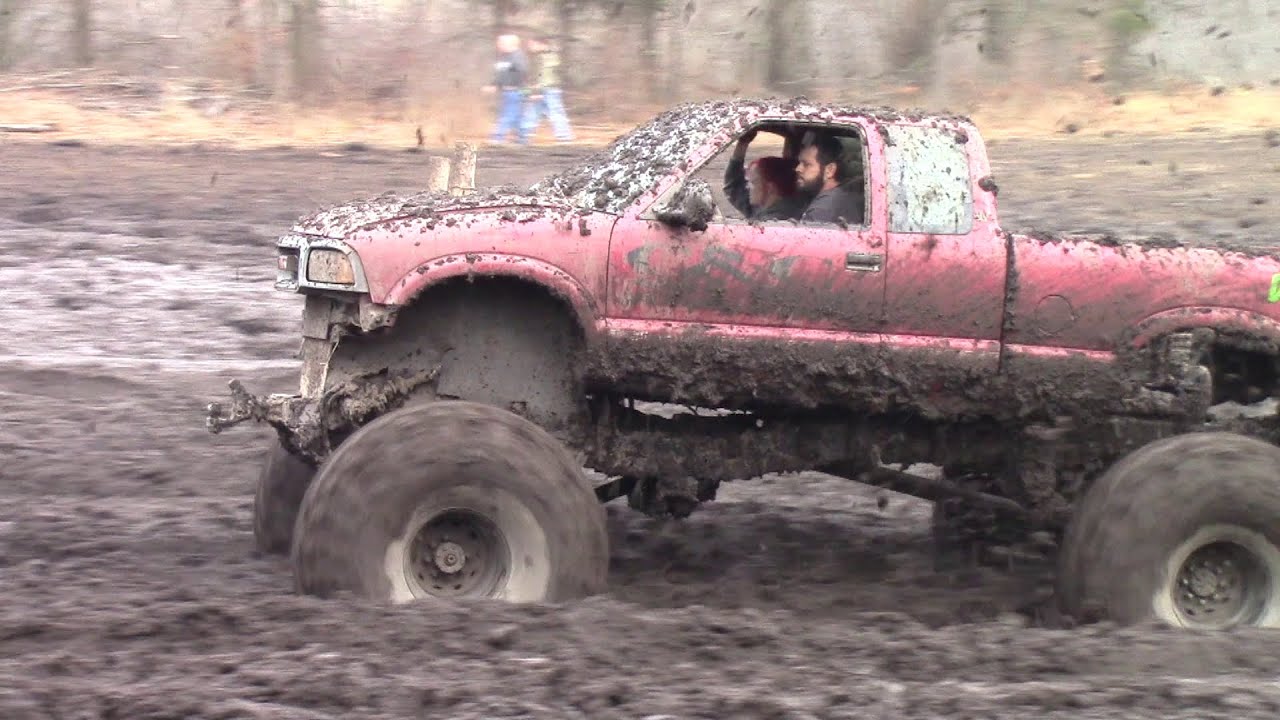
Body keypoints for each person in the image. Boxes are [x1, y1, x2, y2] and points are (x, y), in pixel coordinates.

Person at [723, 130, 805, 222]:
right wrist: (742, 144)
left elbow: (734, 189)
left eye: (753, 183)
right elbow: (734, 187)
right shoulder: (763, 206)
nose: (747, 186)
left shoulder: (775, 222)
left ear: (770, 188)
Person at [795, 133, 865, 225]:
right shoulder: (844, 193)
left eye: (806, 164)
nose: (798, 169)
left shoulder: (821, 211)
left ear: (829, 170)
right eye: (799, 163)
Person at [521, 34, 575, 143]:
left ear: (540, 44)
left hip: (546, 90)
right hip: (549, 90)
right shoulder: (554, 56)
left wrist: (535, 92)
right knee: (534, 113)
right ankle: (524, 136)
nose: (530, 46)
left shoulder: (541, 58)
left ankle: (564, 137)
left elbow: (540, 77)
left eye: (532, 44)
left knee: (551, 113)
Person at [485, 33, 530, 145]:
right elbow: (501, 74)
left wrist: (514, 86)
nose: (498, 45)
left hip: (516, 91)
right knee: (516, 116)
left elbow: (522, 73)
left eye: (501, 43)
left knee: (507, 115)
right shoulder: (504, 57)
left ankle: (497, 138)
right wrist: (494, 85)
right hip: (508, 91)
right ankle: (522, 139)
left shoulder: (518, 57)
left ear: (511, 44)